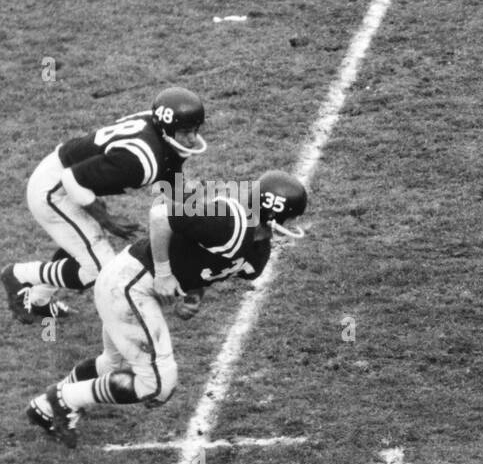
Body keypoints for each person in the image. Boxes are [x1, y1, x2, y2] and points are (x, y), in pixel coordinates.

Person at [25, 171, 309, 449]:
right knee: (157, 384)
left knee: (114, 364)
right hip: (129, 284)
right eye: (292, 215)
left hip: (128, 282)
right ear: (272, 213)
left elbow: (205, 258)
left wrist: (195, 292)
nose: (294, 223)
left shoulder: (257, 247)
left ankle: (43, 408)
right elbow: (162, 216)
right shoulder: (229, 223)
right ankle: (62, 399)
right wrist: (163, 273)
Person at [3, 87, 207, 325]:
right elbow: (72, 179)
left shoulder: (160, 136)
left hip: (68, 181)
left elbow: (170, 176)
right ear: (167, 129)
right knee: (98, 267)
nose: (192, 138)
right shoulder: (140, 161)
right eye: (185, 131)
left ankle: (38, 300)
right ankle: (18, 275)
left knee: (84, 249)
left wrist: (200, 220)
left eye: (195, 130)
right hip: (53, 190)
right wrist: (106, 220)